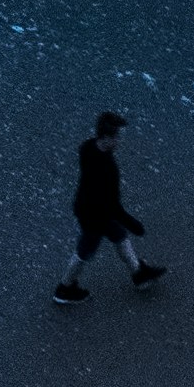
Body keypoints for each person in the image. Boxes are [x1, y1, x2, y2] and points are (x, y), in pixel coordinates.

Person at [53, 111, 165, 305]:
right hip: (95, 216)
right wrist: (135, 224)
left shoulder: (88, 148)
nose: (119, 141)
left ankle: (138, 273)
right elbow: (113, 206)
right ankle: (64, 288)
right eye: (117, 137)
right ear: (106, 138)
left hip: (86, 207)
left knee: (120, 237)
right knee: (85, 251)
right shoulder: (107, 168)